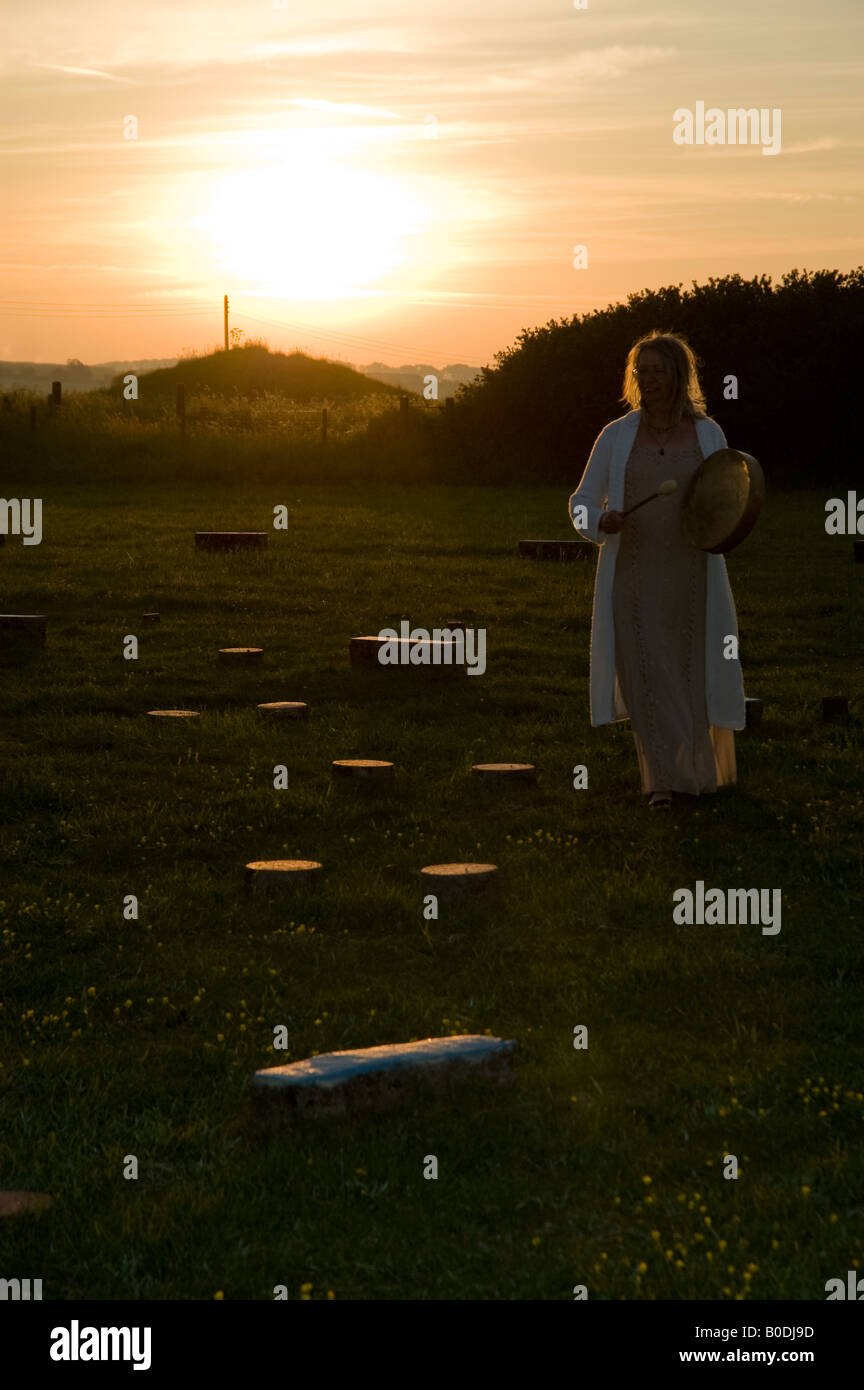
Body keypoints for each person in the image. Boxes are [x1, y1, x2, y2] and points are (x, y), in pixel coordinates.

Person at [567, 332, 745, 808]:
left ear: (679, 375)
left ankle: (696, 776)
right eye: (641, 371)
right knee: (645, 671)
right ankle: (661, 783)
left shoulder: (708, 433)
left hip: (691, 573)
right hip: (633, 571)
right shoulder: (616, 435)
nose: (649, 380)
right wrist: (599, 522)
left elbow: (728, 496)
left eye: (658, 371)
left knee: (688, 673)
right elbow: (581, 501)